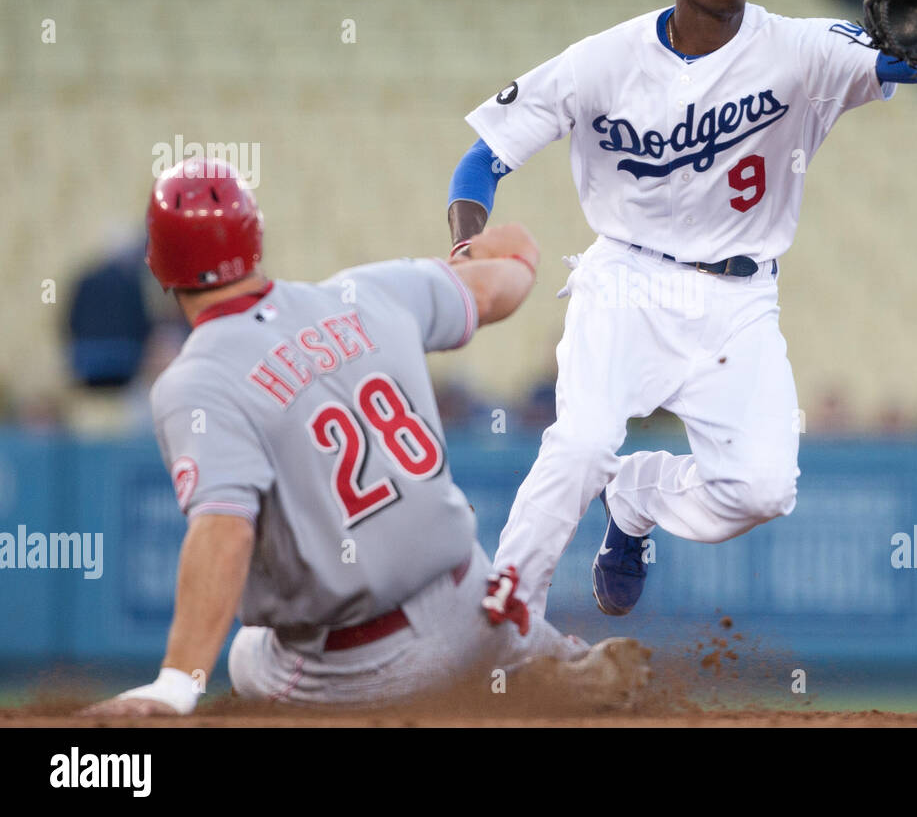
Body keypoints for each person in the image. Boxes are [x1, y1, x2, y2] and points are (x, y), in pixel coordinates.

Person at [445, 0, 917, 618]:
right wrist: (467, 241)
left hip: (739, 296)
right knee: (584, 442)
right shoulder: (603, 61)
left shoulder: (801, 49)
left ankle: (637, 497)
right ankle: (504, 605)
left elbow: (915, 64)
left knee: (763, 489)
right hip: (626, 277)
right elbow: (483, 159)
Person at [84, 157, 646, 717]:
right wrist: (492, 251)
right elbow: (511, 276)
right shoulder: (366, 291)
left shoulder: (195, 378)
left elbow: (224, 531)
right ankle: (538, 671)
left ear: (159, 268)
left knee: (248, 655)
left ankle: (466, 696)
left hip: (361, 664)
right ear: (255, 239)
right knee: (493, 642)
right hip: (480, 605)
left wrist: (176, 684)